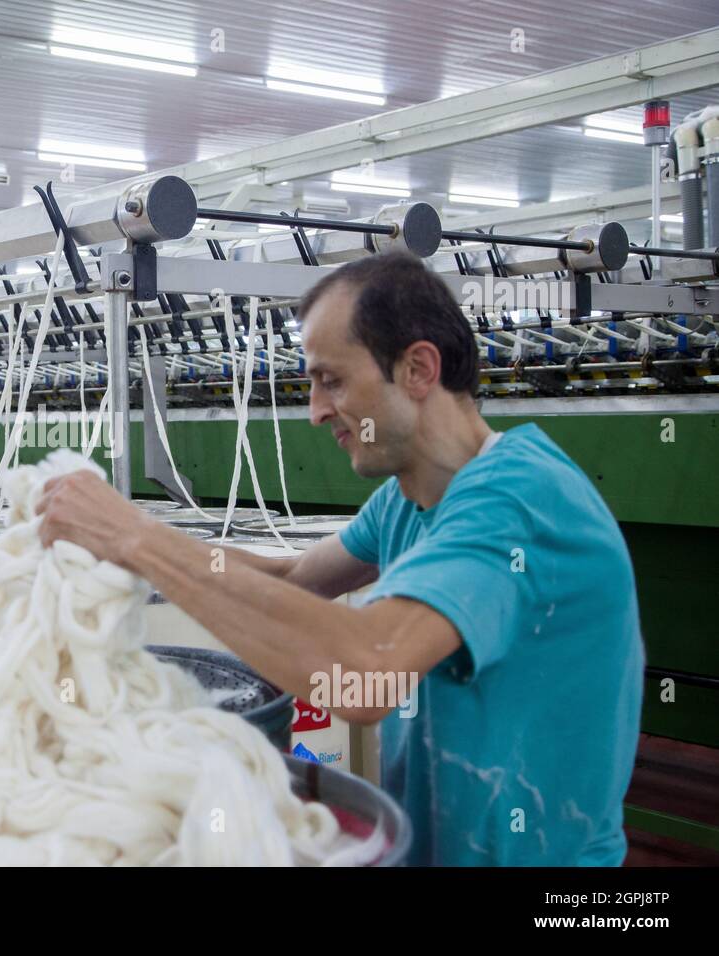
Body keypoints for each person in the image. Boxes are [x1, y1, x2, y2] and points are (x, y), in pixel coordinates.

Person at [35, 251, 644, 866]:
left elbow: (366, 673)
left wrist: (135, 536)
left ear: (418, 369)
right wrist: (126, 549)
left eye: (332, 380)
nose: (316, 411)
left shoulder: (521, 503)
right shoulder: (408, 498)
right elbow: (296, 580)